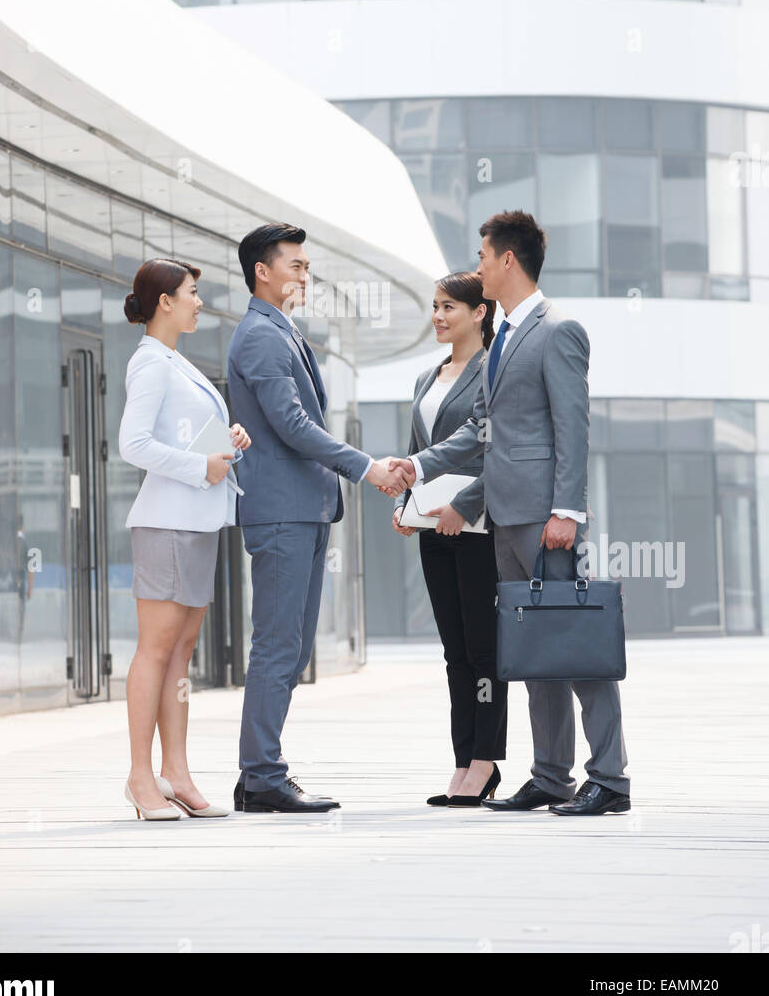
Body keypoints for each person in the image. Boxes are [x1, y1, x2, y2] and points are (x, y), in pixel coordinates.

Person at [388, 211, 630, 817]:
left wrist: (567, 510)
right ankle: (551, 775)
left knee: (576, 648)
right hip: (503, 518)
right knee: (534, 652)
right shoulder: (503, 341)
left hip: (546, 521)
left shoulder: (558, 330)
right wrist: (417, 467)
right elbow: (482, 431)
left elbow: (573, 427)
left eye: (481, 256)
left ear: (507, 260)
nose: (477, 266)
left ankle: (610, 778)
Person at [227, 223, 402, 813]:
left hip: (301, 510)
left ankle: (260, 772)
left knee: (293, 648)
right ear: (263, 272)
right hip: (282, 513)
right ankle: (261, 776)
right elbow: (294, 426)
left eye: (307, 266)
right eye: (296, 266)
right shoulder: (260, 335)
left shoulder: (281, 330)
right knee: (278, 646)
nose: (306, 275)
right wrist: (366, 467)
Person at [118, 258, 251, 821]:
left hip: (196, 523)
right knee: (156, 649)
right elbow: (133, 444)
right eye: (192, 292)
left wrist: (225, 441)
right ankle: (140, 777)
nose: (200, 302)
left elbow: (179, 437)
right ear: (165, 302)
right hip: (168, 523)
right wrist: (201, 465)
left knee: (181, 651)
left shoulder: (175, 361)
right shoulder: (151, 363)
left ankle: (176, 772)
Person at [392, 273, 507, 808]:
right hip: (431, 526)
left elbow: (496, 449)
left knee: (484, 648)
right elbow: (417, 446)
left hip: (477, 525)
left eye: (449, 307)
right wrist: (404, 504)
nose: (438, 316)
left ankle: (486, 760)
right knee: (454, 650)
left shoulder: (494, 370)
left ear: (479, 312)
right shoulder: (426, 377)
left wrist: (467, 504)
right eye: (435, 306)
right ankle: (463, 760)